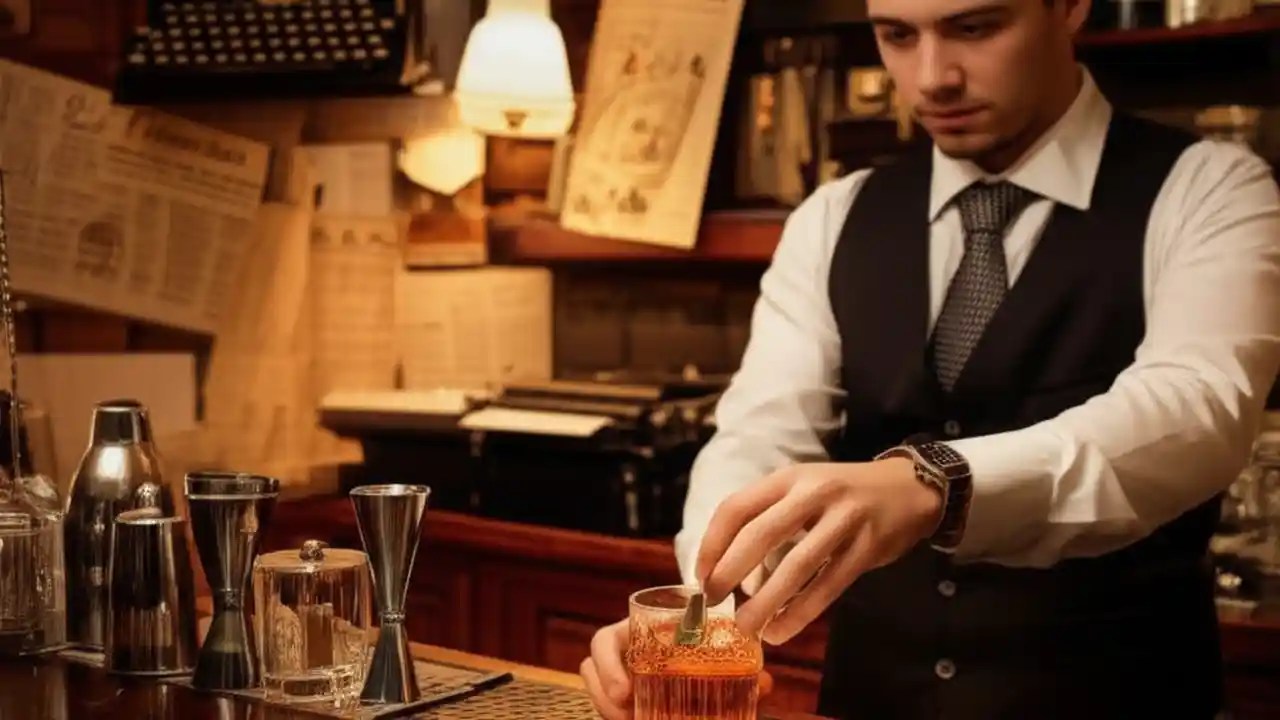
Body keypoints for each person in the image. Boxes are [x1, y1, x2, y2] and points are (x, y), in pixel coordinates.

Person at [581, 0, 1280, 717]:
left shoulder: (1213, 190)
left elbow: (1198, 411)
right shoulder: (835, 215)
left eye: (974, 28)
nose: (932, 77)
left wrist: (938, 484)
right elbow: (760, 437)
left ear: (1071, 7)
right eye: (896, 36)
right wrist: (698, 619)